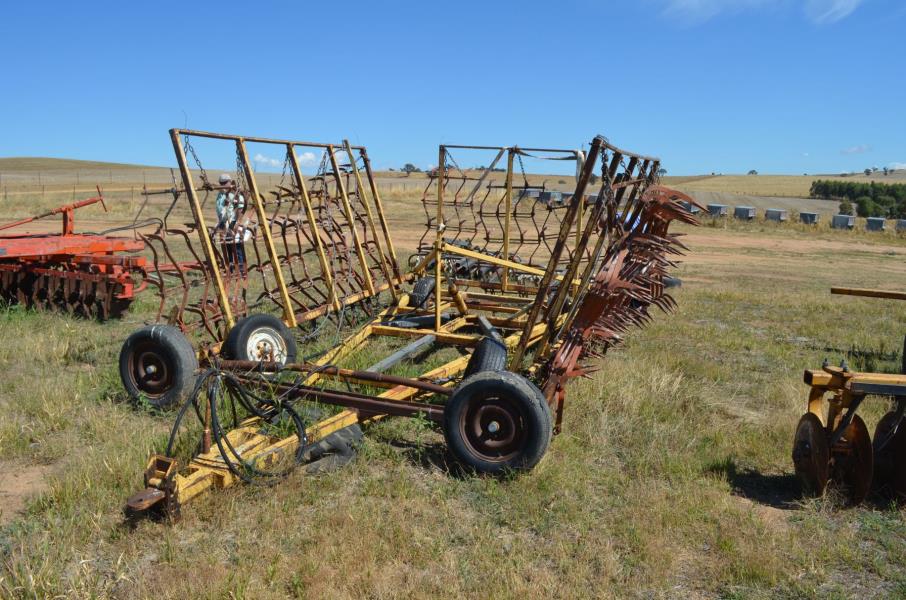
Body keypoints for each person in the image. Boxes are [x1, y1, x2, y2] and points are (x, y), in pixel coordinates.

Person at [215, 173, 248, 277]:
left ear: (229, 182)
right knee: (226, 245)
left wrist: (237, 222)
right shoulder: (220, 194)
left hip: (231, 222)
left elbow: (241, 206)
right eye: (221, 183)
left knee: (236, 245)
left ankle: (241, 269)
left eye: (225, 183)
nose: (223, 185)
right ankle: (230, 267)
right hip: (222, 223)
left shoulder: (234, 193)